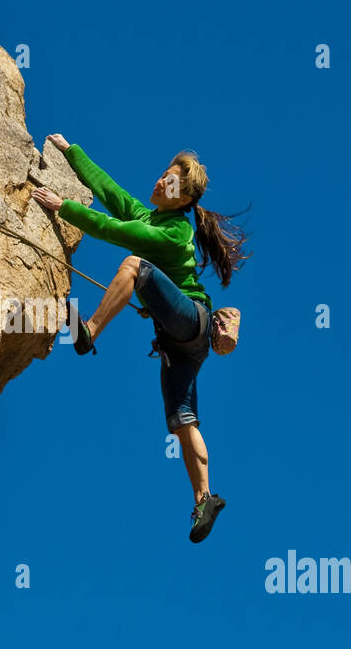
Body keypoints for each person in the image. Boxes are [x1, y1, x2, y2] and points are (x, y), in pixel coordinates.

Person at [30, 134, 249, 543]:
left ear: (183, 200)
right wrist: (71, 151)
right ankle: (205, 498)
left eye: (170, 182)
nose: (159, 182)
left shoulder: (174, 233)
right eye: (163, 175)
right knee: (183, 423)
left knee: (134, 265)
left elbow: (115, 231)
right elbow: (110, 192)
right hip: (177, 344)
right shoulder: (149, 217)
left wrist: (64, 208)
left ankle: (89, 332)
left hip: (191, 322)